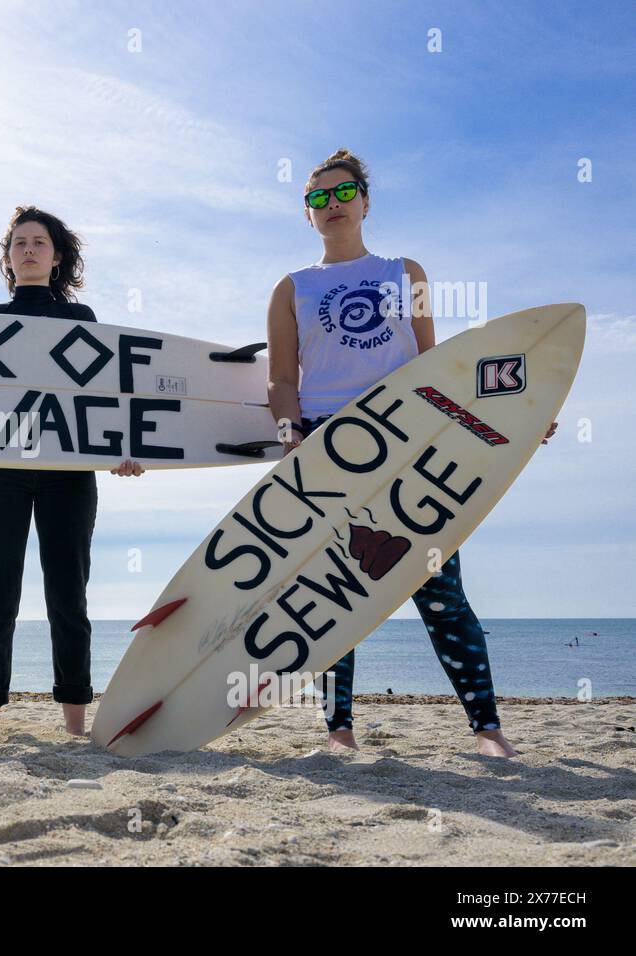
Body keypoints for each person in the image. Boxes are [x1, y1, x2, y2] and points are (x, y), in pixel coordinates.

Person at [265, 148, 557, 759]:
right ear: (307, 216)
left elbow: (437, 365)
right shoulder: (293, 288)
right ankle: (339, 731)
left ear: (365, 202)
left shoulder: (406, 273)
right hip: (327, 443)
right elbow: (282, 379)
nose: (332, 205)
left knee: (440, 588)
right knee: (334, 589)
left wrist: (516, 416)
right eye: (318, 199)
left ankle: (487, 730)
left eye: (343, 193)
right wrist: (291, 431)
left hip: (409, 441)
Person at [0, 205, 143, 743]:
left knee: (69, 596)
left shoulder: (81, 321)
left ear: (57, 256)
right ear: (8, 258)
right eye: (19, 243)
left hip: (68, 471)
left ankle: (73, 724)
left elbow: (105, 395)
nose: (29, 249)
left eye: (39, 242)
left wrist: (123, 449)